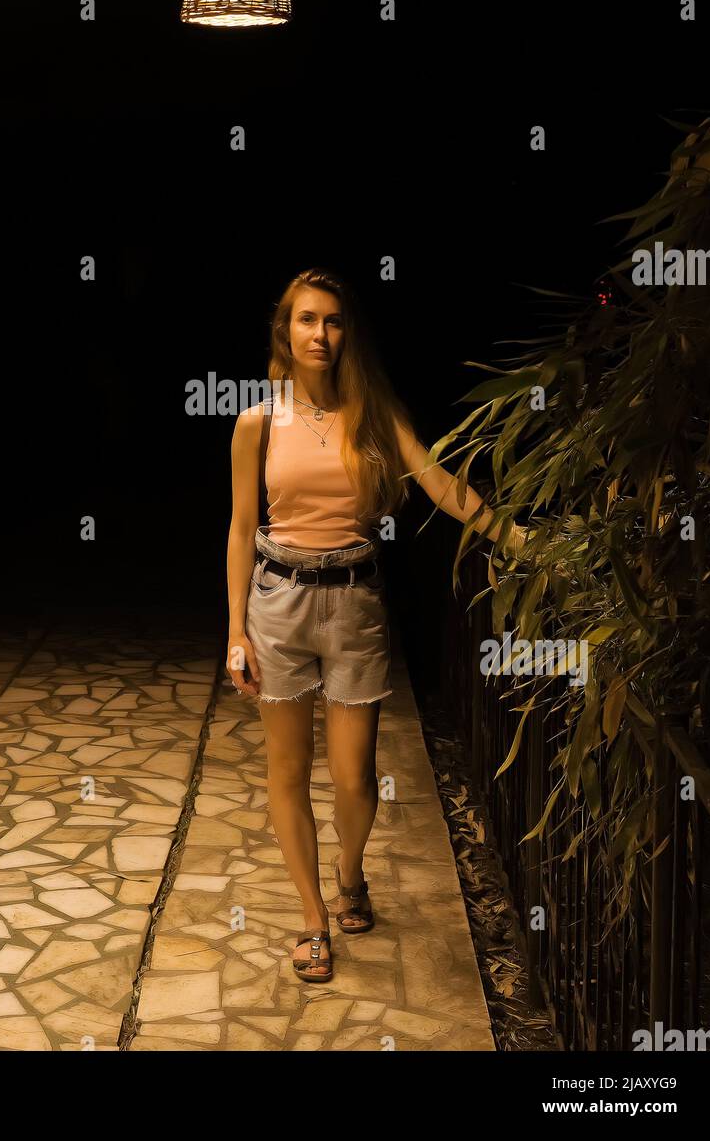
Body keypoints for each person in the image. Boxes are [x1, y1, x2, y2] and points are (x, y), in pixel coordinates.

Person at [225, 267, 526, 981]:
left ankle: (350, 874)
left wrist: (516, 538)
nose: (319, 333)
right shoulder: (256, 420)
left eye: (331, 321)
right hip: (278, 602)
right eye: (306, 319)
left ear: (346, 333)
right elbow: (240, 528)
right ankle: (311, 919)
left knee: (356, 778)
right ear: (284, 330)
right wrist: (234, 630)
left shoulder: (374, 414)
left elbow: (437, 482)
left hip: (354, 603)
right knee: (287, 771)